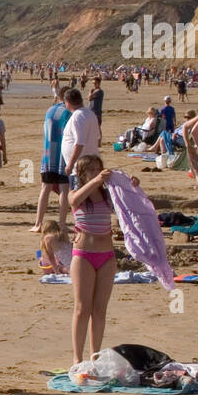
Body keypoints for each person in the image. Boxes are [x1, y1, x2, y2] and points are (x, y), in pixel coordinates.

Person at [68, 154, 138, 366]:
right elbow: (73, 200)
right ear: (81, 174)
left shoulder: (108, 195)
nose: (94, 173)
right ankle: (77, 358)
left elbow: (130, 207)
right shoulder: (77, 193)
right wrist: (96, 181)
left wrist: (131, 186)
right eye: (89, 170)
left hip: (107, 256)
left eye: (97, 169)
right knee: (82, 308)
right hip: (83, 255)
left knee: (100, 309)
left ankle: (95, 355)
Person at [32, 86, 71, 232]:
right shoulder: (69, 112)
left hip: (48, 154)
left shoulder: (50, 111)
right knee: (64, 189)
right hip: (63, 155)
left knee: (45, 188)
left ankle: (38, 223)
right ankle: (61, 224)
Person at [59, 88, 100, 187]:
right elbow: (98, 137)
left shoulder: (78, 116)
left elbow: (79, 143)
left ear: (67, 102)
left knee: (79, 198)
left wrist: (70, 164)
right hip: (87, 163)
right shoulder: (89, 113)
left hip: (81, 167)